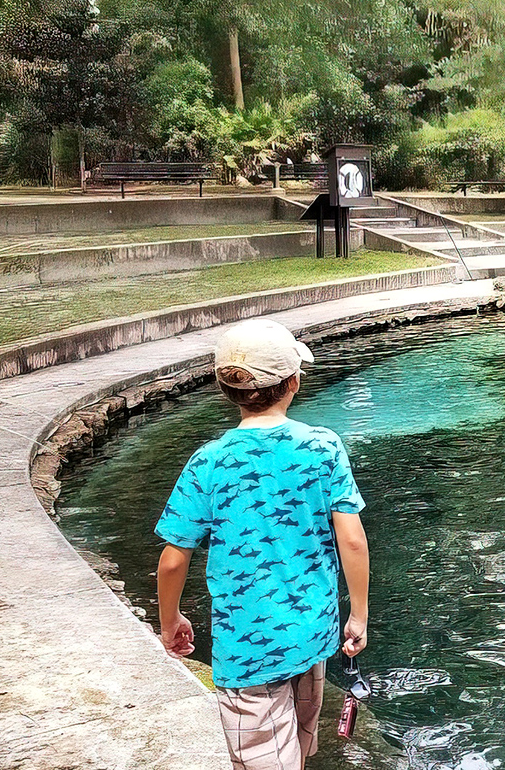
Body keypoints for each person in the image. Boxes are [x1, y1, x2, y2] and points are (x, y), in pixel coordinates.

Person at [155, 318, 369, 770]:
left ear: (224, 388)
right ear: (293, 382)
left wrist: (170, 618)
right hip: (312, 631)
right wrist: (359, 615)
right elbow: (351, 539)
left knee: (264, 758)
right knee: (295, 748)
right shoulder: (323, 446)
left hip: (247, 645)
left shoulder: (208, 461)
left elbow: (174, 559)